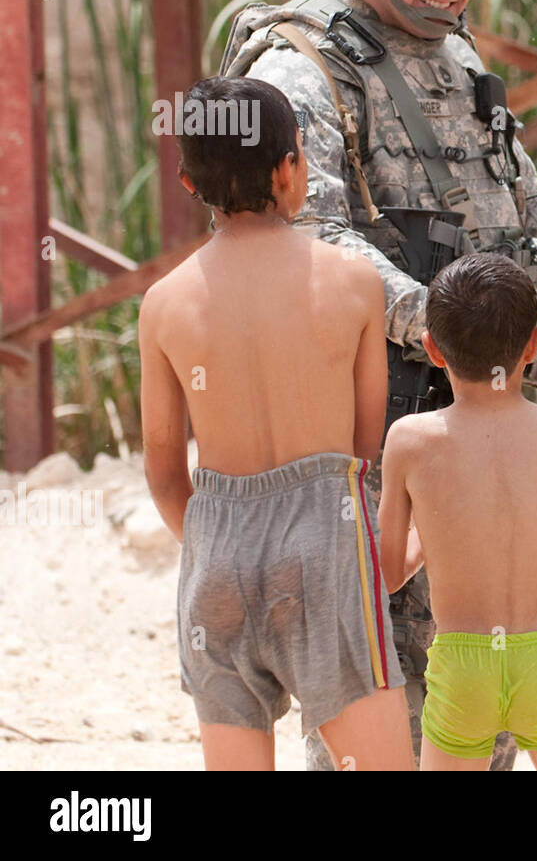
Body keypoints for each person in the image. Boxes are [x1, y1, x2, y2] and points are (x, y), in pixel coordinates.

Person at [219, 0, 537, 771]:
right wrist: (444, 327)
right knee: (373, 685)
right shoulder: (305, 69)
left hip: (480, 405)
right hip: (375, 420)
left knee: (476, 671)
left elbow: (527, 209)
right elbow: (309, 238)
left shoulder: (460, 64)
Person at [139, 76, 412, 771]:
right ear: (290, 167)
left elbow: (166, 475)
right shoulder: (353, 282)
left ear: (187, 181)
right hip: (323, 545)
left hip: (217, 560)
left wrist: (224, 541)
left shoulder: (164, 304)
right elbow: (361, 446)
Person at [378, 253, 537, 771]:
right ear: (534, 343)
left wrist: (430, 537)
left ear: (434, 349)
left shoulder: (410, 440)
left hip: (461, 667)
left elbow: (389, 575)